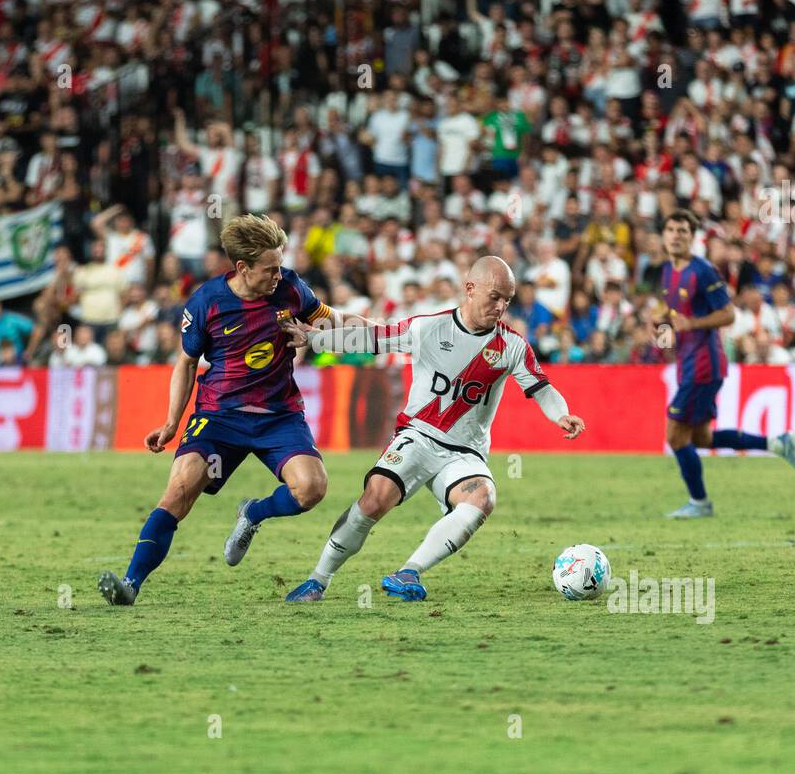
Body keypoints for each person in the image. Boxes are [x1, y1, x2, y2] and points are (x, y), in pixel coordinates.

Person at [284, 255, 586, 603]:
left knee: (482, 497)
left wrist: (561, 414)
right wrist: (315, 340)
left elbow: (540, 387)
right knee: (375, 499)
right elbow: (373, 338)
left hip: (465, 451)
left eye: (507, 299)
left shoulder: (513, 346)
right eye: (495, 296)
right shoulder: (430, 328)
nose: (501, 306)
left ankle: (408, 572)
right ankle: (318, 580)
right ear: (469, 289)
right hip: (419, 437)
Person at [97, 214, 361, 606]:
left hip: (278, 414)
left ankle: (253, 512)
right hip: (219, 416)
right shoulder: (207, 302)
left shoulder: (290, 287)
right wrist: (172, 422)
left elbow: (334, 321)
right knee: (179, 491)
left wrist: (328, 334)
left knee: (311, 489)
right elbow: (186, 363)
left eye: (279, 265)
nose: (278, 274)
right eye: (269, 268)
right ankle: (130, 585)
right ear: (242, 268)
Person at [653, 209, 795, 518]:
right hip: (687, 362)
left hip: (704, 363)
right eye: (671, 230)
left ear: (692, 238)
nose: (676, 235)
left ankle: (700, 503)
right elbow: (673, 314)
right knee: (701, 438)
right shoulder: (668, 271)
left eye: (683, 230)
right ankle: (778, 443)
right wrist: (664, 325)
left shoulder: (702, 270)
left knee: (675, 435)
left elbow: (729, 314)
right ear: (663, 235)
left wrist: (692, 324)